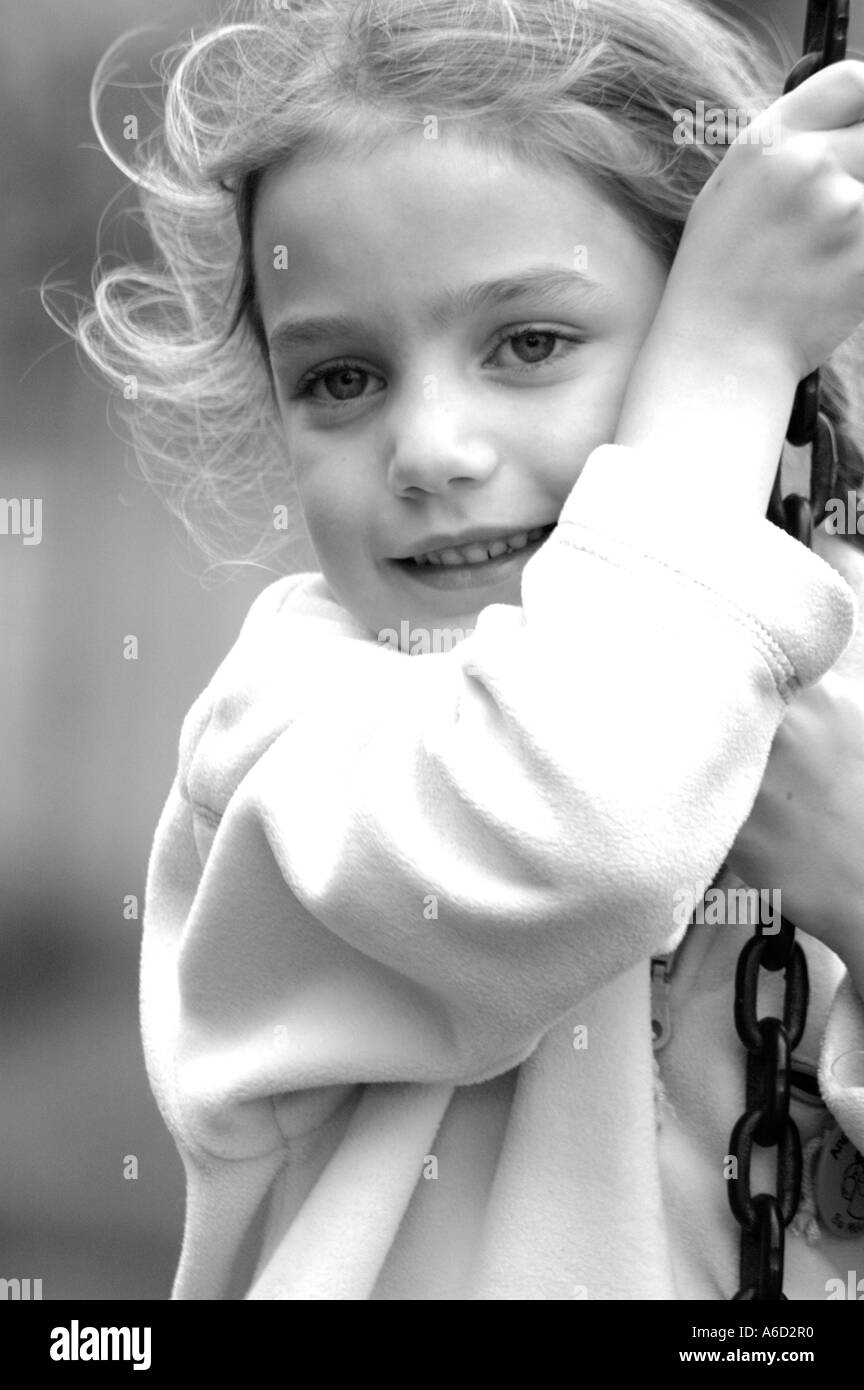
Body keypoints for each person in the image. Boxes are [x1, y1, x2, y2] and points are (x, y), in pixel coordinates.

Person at [69, 0, 864, 1299]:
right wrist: (730, 350)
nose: (430, 446)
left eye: (529, 342)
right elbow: (577, 818)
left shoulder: (827, 686)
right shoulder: (289, 741)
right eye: (341, 377)